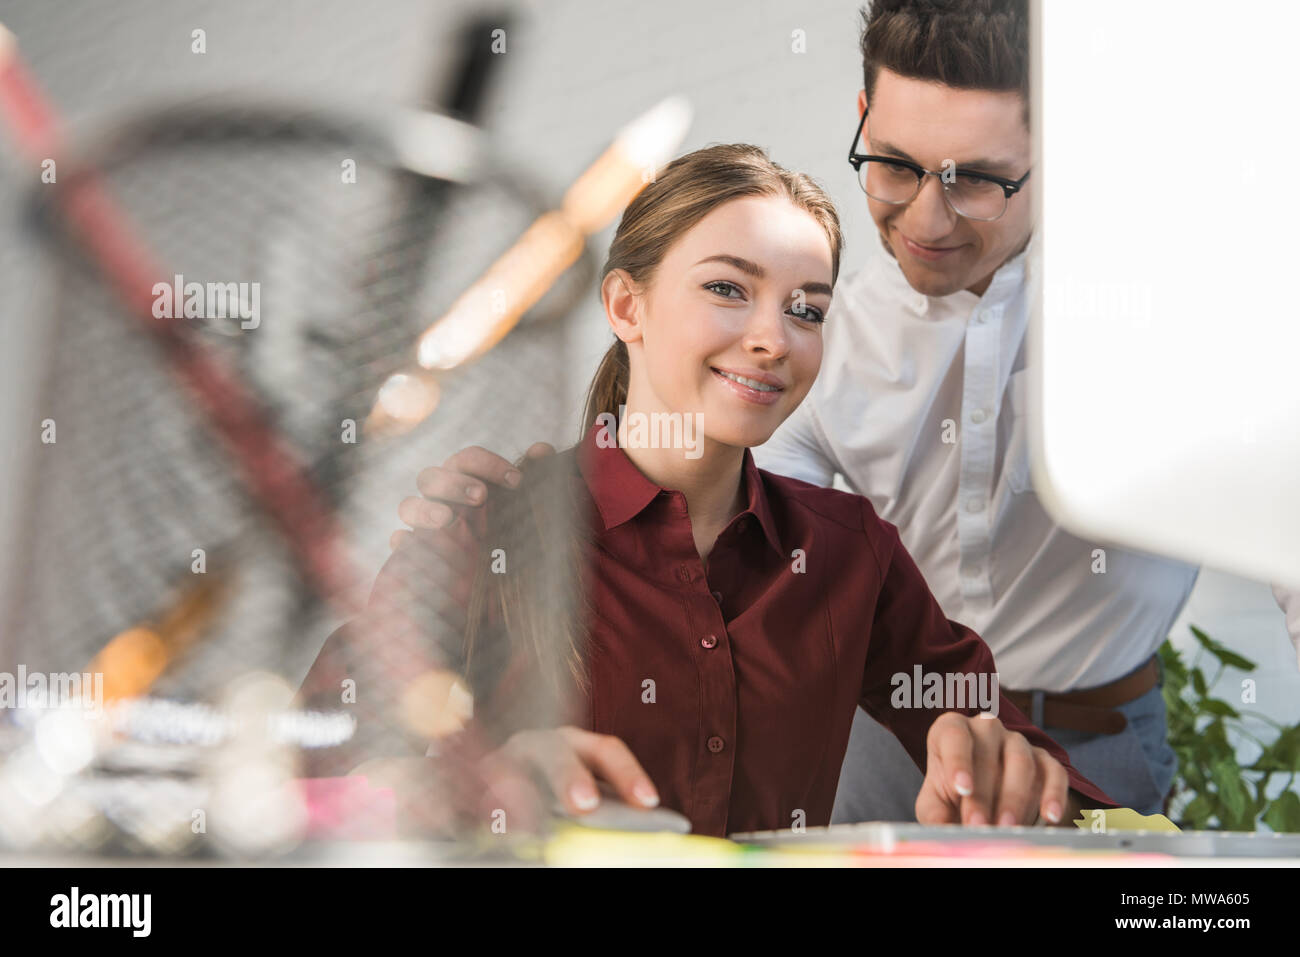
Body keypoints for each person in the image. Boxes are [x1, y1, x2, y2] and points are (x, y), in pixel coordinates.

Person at [393, 0, 1298, 822]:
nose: (930, 220)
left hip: (1076, 722)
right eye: (896, 166)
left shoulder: (1181, 315)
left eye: (978, 179)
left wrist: (995, 747)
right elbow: (729, 535)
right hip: (866, 732)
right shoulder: (508, 528)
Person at [301, 141, 1116, 838]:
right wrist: (464, 783)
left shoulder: (848, 550)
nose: (773, 338)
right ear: (628, 304)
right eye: (728, 288)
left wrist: (1011, 768)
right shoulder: (486, 525)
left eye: (807, 308)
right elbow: (310, 765)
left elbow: (997, 736)